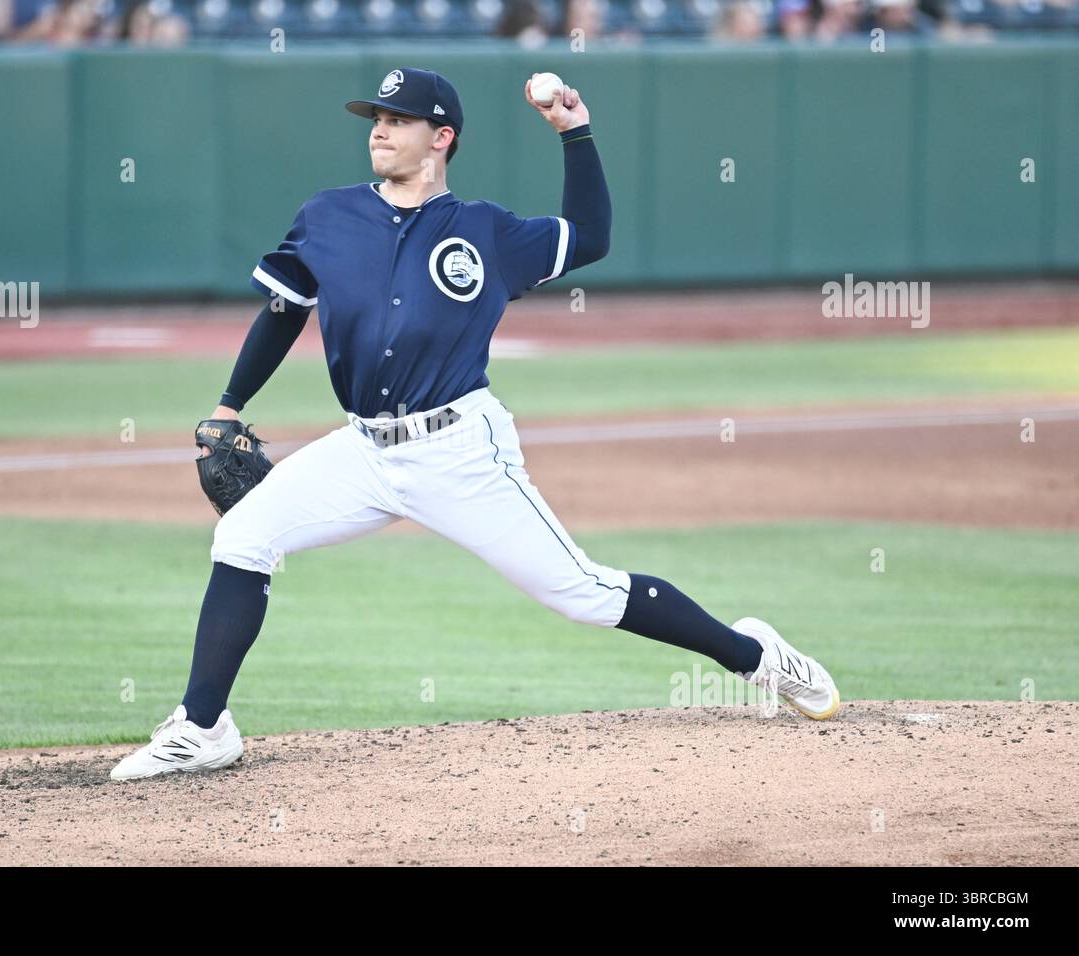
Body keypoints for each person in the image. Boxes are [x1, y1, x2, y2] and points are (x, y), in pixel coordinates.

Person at [110, 67, 840, 782]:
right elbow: (281, 313)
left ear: (442, 138)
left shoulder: (486, 232)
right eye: (377, 119)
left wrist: (574, 134)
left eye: (398, 121)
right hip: (362, 449)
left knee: (581, 593)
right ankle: (203, 729)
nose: (381, 131)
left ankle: (755, 656)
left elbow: (589, 237)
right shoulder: (328, 215)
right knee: (243, 536)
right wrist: (230, 405)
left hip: (459, 451)